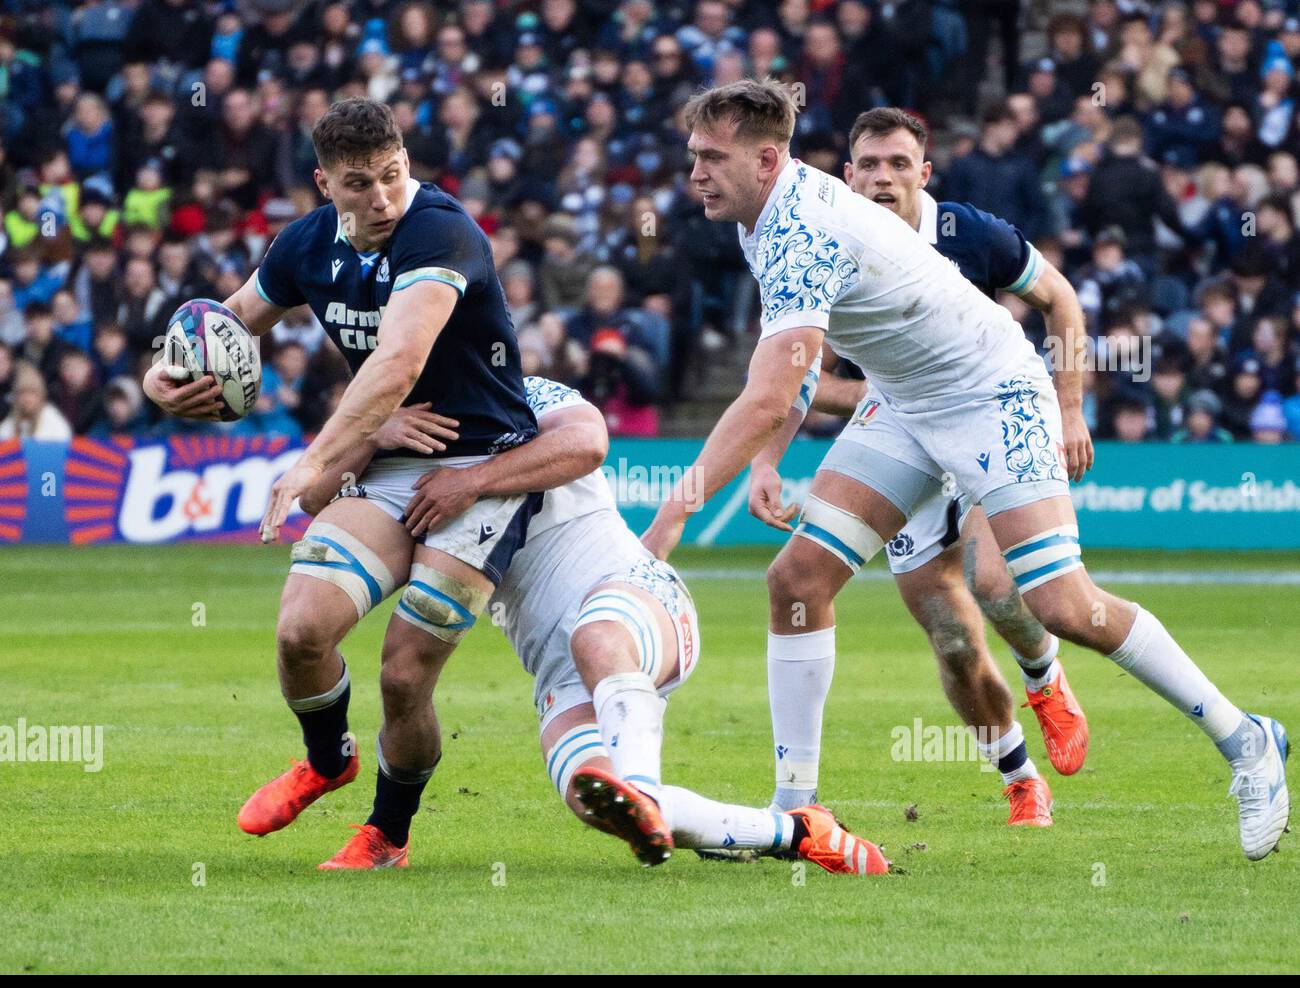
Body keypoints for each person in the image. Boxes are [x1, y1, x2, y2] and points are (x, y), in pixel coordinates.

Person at [642, 79, 1288, 863]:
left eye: (711, 156)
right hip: (905, 403)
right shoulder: (762, 218)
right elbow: (797, 374)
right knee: (797, 581)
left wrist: (676, 510)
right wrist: (768, 459)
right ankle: (797, 815)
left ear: (767, 158)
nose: (695, 172)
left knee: (1061, 603)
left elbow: (773, 388)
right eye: (693, 156)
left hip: (994, 391)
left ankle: (1245, 737)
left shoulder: (805, 228)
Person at [143, 97, 539, 870]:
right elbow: (219, 326)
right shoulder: (304, 247)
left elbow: (398, 361)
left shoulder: (441, 231)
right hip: (390, 460)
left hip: (484, 468)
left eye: (393, 176)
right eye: (359, 184)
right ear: (325, 184)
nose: (382, 198)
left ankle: (387, 834)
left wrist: (315, 461)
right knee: (301, 631)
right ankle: (329, 760)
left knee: (402, 671)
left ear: (408, 165)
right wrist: (162, 378)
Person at [299, 376, 888, 876]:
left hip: (634, 598)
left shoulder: (525, 394)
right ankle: (795, 831)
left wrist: (670, 518)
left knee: (596, 637)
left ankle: (642, 783)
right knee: (592, 796)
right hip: (557, 671)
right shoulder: (403, 436)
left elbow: (589, 438)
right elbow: (316, 497)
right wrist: (371, 434)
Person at [757, 105, 1094, 827]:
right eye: (869, 166)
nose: (882, 178)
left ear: (923, 172)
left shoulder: (966, 233)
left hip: (984, 421)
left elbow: (1060, 299)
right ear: (848, 176)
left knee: (997, 582)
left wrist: (1069, 408)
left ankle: (1045, 675)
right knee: (949, 634)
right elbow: (801, 373)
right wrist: (783, 447)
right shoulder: (829, 238)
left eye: (898, 164)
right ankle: (1020, 778)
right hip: (898, 439)